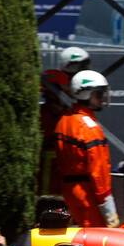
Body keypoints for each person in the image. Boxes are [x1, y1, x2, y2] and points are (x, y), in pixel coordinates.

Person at [53, 70, 120, 227]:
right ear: (85, 95)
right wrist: (109, 209)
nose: (102, 98)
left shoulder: (63, 121)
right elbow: (99, 173)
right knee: (97, 242)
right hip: (87, 196)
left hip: (69, 193)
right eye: (98, 94)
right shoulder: (89, 128)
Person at [40, 46, 91, 194]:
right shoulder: (53, 81)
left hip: (73, 149)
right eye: (78, 66)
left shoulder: (84, 86)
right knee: (50, 193)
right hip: (53, 150)